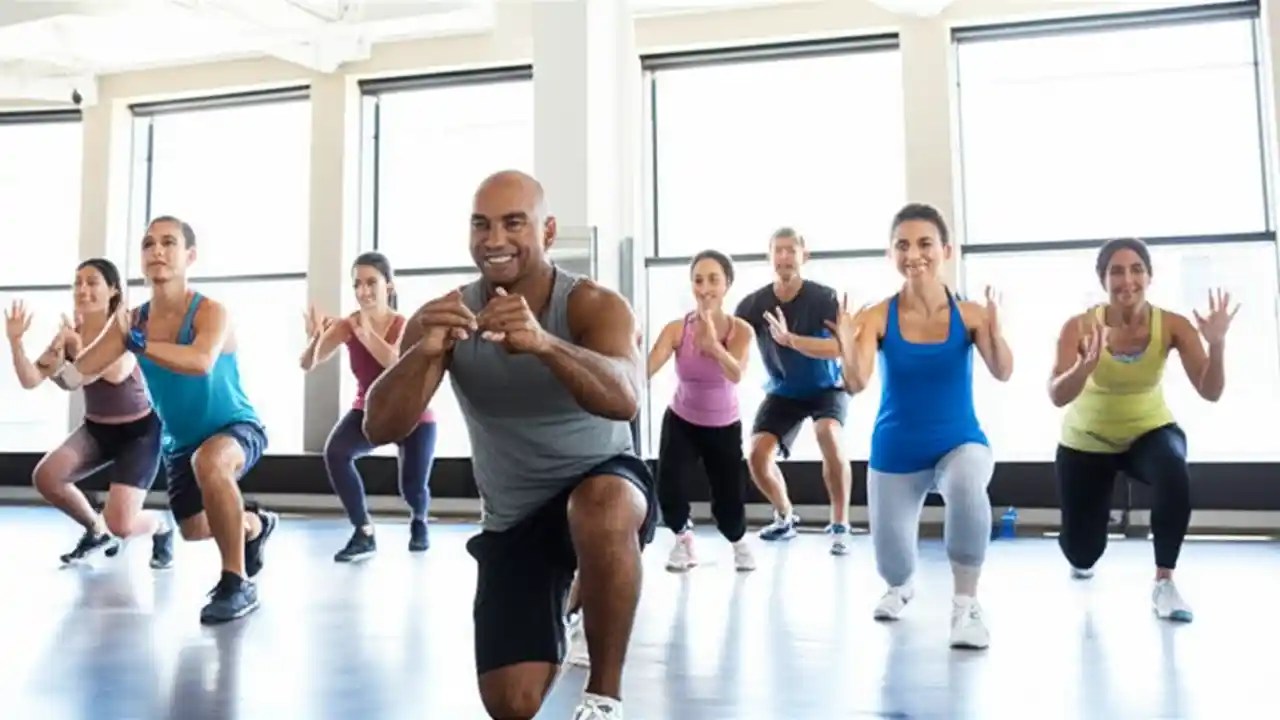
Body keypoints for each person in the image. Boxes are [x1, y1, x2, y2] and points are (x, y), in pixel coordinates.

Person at [363, 170, 654, 720]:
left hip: (606, 483)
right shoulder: (442, 316)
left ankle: (604, 696)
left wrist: (545, 345)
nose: (494, 240)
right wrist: (426, 353)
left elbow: (626, 399)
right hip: (515, 516)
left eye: (512, 223)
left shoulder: (592, 306)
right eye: (482, 225)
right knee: (510, 704)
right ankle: (565, 605)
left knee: (600, 507)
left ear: (546, 231)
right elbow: (380, 427)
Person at [45, 216, 278, 626]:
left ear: (189, 256)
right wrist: (58, 355)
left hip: (236, 427)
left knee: (211, 462)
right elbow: (75, 375)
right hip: (181, 444)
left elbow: (201, 362)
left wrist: (139, 345)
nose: (157, 251)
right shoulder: (131, 323)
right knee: (192, 528)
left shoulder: (210, 312)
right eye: (148, 244)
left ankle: (236, 582)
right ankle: (255, 525)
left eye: (168, 243)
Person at [828, 204, 1012, 650]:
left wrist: (997, 328)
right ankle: (901, 585)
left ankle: (965, 606)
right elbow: (855, 383)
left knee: (969, 486)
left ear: (945, 250)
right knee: (893, 568)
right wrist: (846, 345)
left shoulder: (970, 315)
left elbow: (1003, 371)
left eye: (925, 243)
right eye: (903, 245)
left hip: (959, 441)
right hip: (897, 450)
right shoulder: (875, 316)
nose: (915, 254)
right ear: (891, 253)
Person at [1049, 237, 1236, 623]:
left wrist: (1216, 345)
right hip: (1087, 441)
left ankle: (1164, 582)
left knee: (1173, 468)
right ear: (1103, 279)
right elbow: (1056, 394)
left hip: (1148, 430)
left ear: (1149, 276)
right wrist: (1084, 368)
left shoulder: (1171, 325)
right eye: (1116, 271)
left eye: (1136, 269)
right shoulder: (1078, 327)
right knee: (1083, 552)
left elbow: (1210, 391)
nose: (1127, 280)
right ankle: (1082, 553)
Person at [5, 259, 173, 568]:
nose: (83, 289)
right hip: (97, 429)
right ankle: (95, 531)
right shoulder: (70, 334)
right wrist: (16, 343)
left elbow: (114, 373)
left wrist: (76, 345)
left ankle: (161, 525)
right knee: (46, 477)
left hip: (138, 433)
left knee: (122, 525)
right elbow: (31, 379)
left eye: (92, 282)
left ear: (112, 290)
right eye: (77, 282)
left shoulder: (122, 327)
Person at [299, 251, 436, 561]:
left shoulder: (405, 324)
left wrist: (364, 331)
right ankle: (363, 531)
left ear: (389, 286)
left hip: (413, 411)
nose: (363, 292)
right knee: (336, 452)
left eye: (371, 283)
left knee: (412, 487)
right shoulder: (349, 325)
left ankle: (419, 519)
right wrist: (316, 339)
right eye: (357, 284)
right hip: (370, 409)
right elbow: (308, 363)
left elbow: (395, 363)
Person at [733, 227, 851, 554]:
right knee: (757, 455)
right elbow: (733, 342)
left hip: (826, 387)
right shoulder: (752, 304)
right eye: (778, 251)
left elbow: (840, 348)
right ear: (769, 256)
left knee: (827, 431)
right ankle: (785, 516)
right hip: (784, 391)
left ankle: (840, 524)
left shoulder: (824, 298)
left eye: (791, 250)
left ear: (804, 255)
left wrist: (792, 341)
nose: (784, 256)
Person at [647, 249, 756, 573]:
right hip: (682, 419)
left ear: (727, 285)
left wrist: (712, 348)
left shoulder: (741, 330)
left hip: (723, 424)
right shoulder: (676, 329)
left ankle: (738, 542)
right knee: (669, 486)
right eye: (698, 280)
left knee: (728, 500)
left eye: (713, 279)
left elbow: (736, 374)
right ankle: (684, 541)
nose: (705, 287)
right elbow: (646, 368)